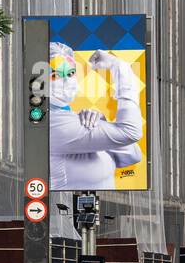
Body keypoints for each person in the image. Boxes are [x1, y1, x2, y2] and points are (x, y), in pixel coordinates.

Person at [46, 41, 143, 191]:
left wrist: (102, 122)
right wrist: (119, 67)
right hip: (66, 210)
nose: (67, 81)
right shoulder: (53, 124)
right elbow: (131, 132)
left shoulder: (73, 118)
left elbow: (132, 155)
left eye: (71, 73)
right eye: (55, 75)